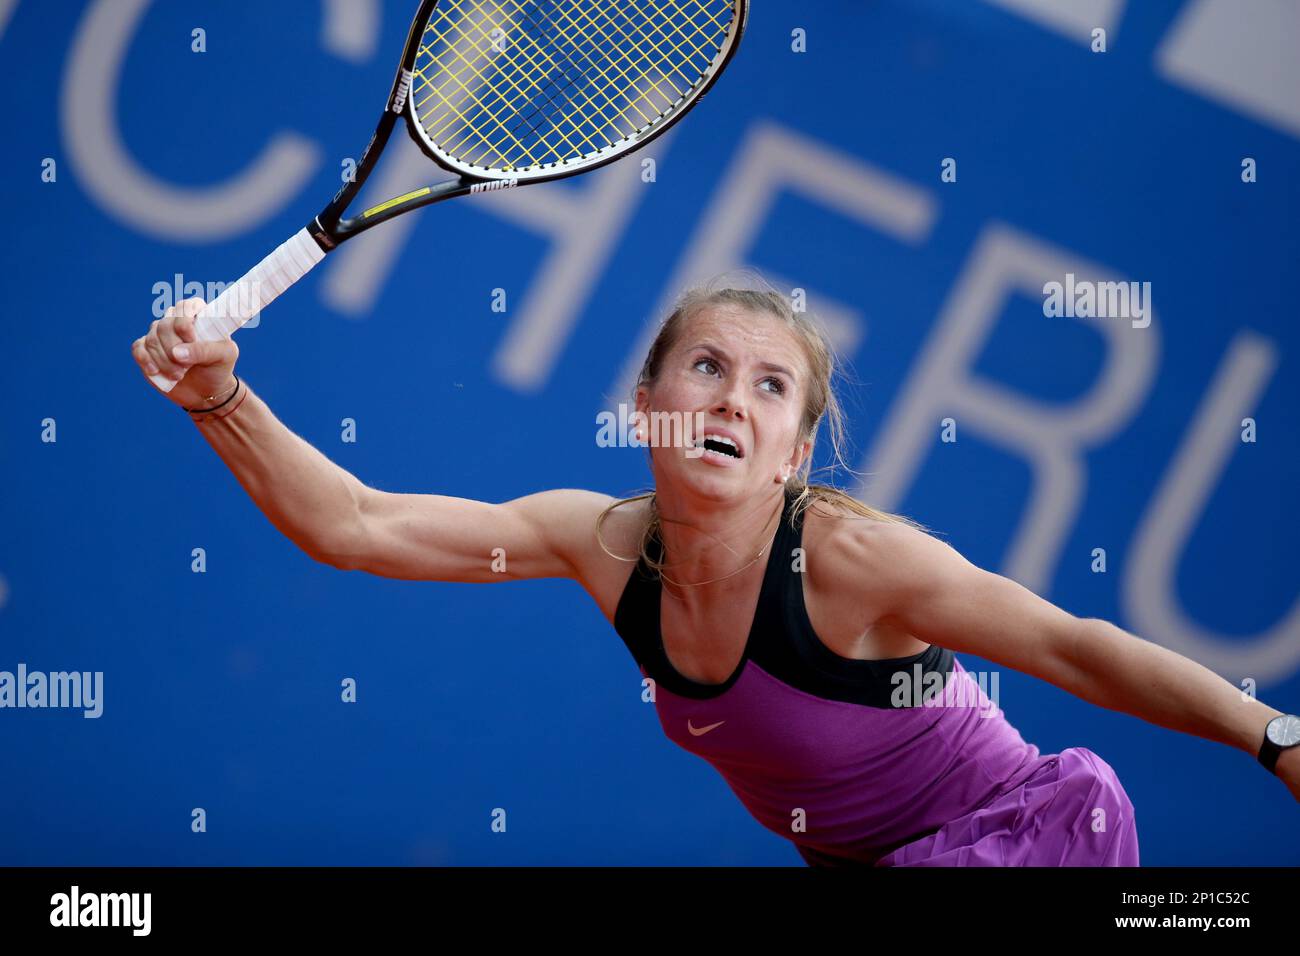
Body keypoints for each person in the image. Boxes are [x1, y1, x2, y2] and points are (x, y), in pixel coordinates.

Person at [130, 281, 1300, 866]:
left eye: (770, 386)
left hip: (1027, 837)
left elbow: (1074, 646)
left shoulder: (854, 562)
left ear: (794, 452)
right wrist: (218, 396)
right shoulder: (593, 542)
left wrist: (1275, 737)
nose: (731, 398)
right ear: (647, 407)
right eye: (703, 366)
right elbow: (357, 524)